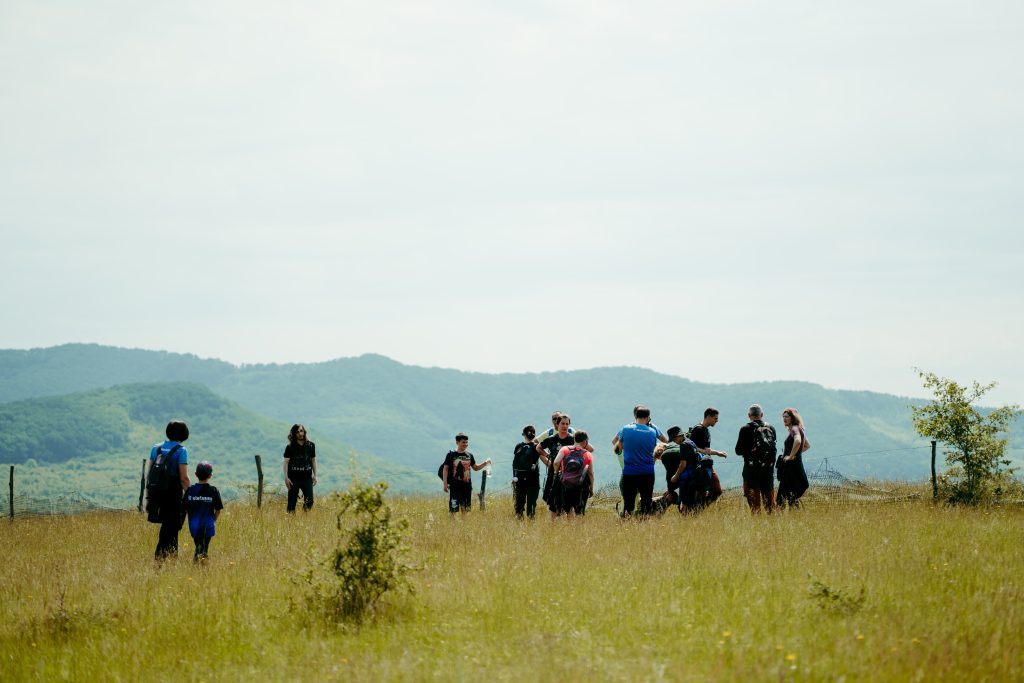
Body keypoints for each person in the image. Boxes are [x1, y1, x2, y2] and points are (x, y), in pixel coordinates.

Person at [612, 405, 668, 517]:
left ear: (635, 416)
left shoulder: (625, 429)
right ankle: (644, 518)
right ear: (648, 418)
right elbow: (655, 448)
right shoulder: (652, 431)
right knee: (646, 500)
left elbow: (618, 447)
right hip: (647, 471)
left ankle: (628, 518)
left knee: (629, 500)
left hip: (630, 471)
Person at [150, 420, 190, 559]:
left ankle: (171, 558)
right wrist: (190, 494)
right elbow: (184, 478)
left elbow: (150, 473)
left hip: (157, 492)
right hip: (173, 492)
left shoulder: (156, 448)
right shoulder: (181, 450)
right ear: (184, 434)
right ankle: (160, 558)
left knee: (169, 526)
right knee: (172, 525)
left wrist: (148, 496)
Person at [734, 404, 778, 514]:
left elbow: (738, 451)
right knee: (770, 504)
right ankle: (772, 520)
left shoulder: (745, 429)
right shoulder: (771, 428)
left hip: (751, 469)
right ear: (761, 415)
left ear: (749, 415)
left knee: (755, 506)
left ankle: (756, 520)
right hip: (768, 469)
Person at [182, 461, 223, 562]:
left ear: (196, 474)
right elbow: (218, 510)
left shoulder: (190, 490)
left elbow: (185, 509)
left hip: (194, 526)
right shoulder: (213, 490)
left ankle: (201, 565)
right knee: (202, 549)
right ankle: (199, 565)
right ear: (210, 475)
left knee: (200, 547)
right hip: (208, 526)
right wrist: (213, 520)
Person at [537, 414, 576, 519]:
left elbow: (583, 450)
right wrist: (547, 456)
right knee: (553, 503)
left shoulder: (572, 440)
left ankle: (570, 526)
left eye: (567, 424)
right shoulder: (551, 439)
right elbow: (538, 447)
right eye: (562, 423)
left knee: (569, 503)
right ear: (557, 424)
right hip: (553, 473)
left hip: (569, 474)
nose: (565, 426)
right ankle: (553, 526)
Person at [442, 433, 492, 513]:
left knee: (465, 510)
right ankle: (452, 522)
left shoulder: (469, 455)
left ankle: (464, 521)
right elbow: (445, 469)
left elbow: (475, 468)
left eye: (466, 442)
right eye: (463, 442)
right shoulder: (451, 455)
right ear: (457, 442)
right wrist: (445, 484)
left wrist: (485, 463)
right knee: (453, 510)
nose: (465, 444)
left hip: (467, 487)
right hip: (455, 487)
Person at [552, 430, 595, 517]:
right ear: (585, 441)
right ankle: (578, 524)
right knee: (580, 511)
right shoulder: (587, 454)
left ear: (574, 439)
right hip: (581, 484)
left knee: (568, 510)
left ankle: (570, 524)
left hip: (565, 483)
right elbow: (590, 473)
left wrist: (557, 472)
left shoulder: (564, 449)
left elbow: (556, 462)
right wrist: (591, 487)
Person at [777, 408, 811, 509]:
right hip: (794, 466)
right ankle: (794, 515)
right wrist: (795, 453)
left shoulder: (794, 429)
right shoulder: (799, 429)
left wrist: (790, 456)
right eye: (783, 417)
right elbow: (807, 446)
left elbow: (798, 441)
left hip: (790, 467)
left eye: (787, 417)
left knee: (781, 497)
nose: (784, 419)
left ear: (792, 418)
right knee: (791, 494)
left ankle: (781, 516)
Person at [283, 424, 317, 512]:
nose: (300, 434)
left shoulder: (311, 445)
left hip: (307, 477)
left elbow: (313, 460)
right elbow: (286, 462)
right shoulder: (290, 447)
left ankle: (304, 517)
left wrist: (315, 475)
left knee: (309, 501)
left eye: (301, 431)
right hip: (293, 478)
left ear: (304, 432)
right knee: (292, 503)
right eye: (297, 432)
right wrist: (286, 478)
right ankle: (290, 519)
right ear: (294, 434)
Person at [512, 425, 541, 518]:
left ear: (523, 434)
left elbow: (514, 463)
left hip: (519, 478)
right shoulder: (537, 447)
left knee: (519, 506)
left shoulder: (518, 446)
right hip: (533, 479)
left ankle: (518, 522)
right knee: (531, 507)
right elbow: (544, 458)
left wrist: (514, 477)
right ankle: (530, 523)